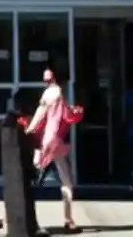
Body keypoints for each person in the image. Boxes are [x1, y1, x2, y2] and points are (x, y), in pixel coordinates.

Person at [26, 68, 82, 234]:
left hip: (48, 140)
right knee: (65, 180)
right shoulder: (60, 93)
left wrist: (30, 128)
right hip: (55, 140)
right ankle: (68, 219)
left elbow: (41, 112)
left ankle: (17, 217)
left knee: (30, 179)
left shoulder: (52, 92)